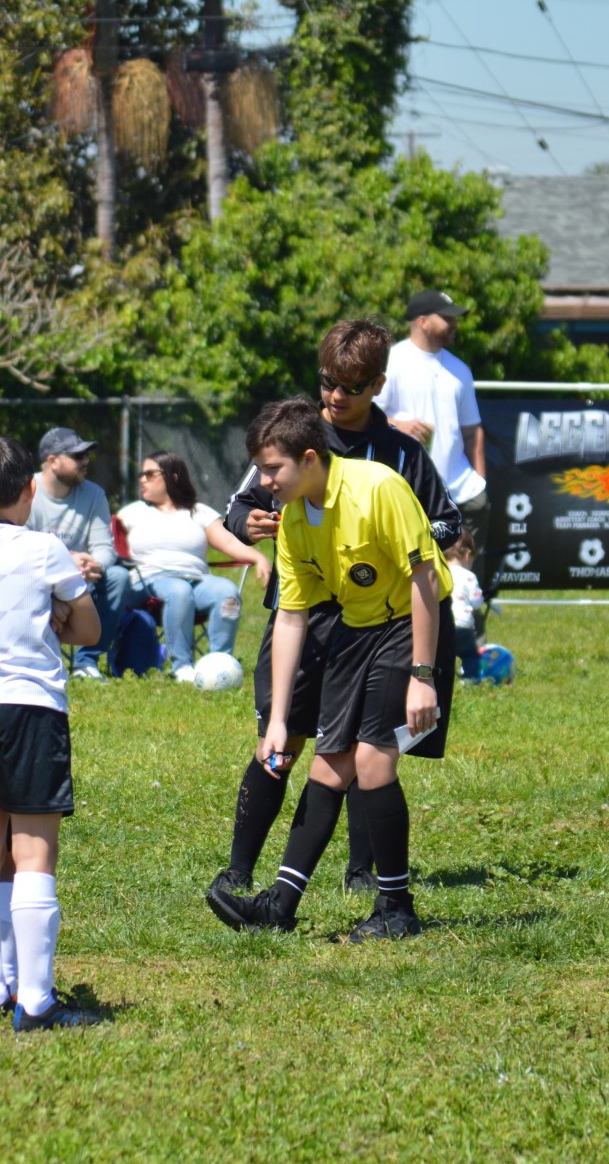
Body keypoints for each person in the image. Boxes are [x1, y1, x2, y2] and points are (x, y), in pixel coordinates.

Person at [215, 319, 461, 898]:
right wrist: (245, 524)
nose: (335, 397)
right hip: (305, 613)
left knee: (361, 747)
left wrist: (404, 533)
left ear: (377, 385)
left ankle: (362, 873)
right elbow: (236, 507)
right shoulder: (290, 440)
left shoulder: (397, 456)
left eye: (350, 387)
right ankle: (239, 869)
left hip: (378, 618)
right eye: (328, 382)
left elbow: (446, 524)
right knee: (282, 738)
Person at [0, 434, 104, 1031]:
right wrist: (57, 616)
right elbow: (87, 629)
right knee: (34, 854)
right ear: (29, 490)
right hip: (30, 706)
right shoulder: (45, 547)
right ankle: (35, 1001)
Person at [117, 451, 268, 683]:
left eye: (149, 474)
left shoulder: (199, 512)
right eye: (141, 475)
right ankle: (182, 667)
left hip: (196, 581)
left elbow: (227, 541)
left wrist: (259, 558)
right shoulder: (133, 513)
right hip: (148, 583)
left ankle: (220, 664)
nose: (142, 480)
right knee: (179, 590)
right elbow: (111, 545)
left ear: (173, 476)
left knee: (227, 592)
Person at [377, 289, 490, 574]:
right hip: (411, 491)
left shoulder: (460, 369)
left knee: (467, 577)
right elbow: (366, 416)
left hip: (463, 490)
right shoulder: (391, 361)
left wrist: (480, 481)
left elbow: (472, 431)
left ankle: (469, 619)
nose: (454, 324)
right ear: (423, 321)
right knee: (418, 574)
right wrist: (398, 424)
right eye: (447, 318)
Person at [27, 427, 130, 680]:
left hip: (82, 579)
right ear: (52, 461)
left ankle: (86, 662)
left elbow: (105, 549)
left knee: (118, 577)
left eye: (86, 455)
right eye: (77, 456)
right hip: (35, 578)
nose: (85, 462)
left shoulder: (94, 494)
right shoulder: (25, 491)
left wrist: (89, 567)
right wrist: (65, 565)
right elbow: (21, 549)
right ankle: (34, 658)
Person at [448, 531, 486, 683]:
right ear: (467, 555)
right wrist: (481, 598)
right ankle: (470, 681)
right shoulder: (468, 576)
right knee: (469, 655)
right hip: (463, 625)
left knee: (443, 655)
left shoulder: (438, 571)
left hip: (443, 623)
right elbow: (476, 602)